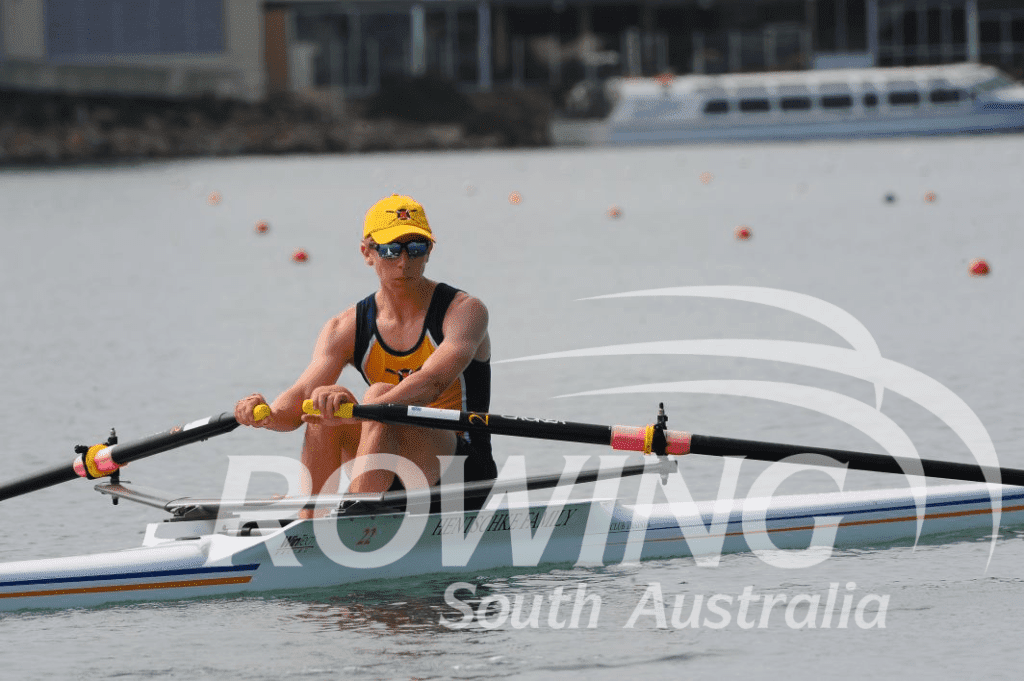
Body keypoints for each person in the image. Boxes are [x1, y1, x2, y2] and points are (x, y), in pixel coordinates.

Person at [234, 194, 497, 510]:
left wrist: (363, 408)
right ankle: (311, 518)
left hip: (462, 473)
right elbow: (296, 404)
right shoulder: (345, 327)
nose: (404, 262)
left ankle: (355, 514)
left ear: (429, 250)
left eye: (416, 248)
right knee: (321, 400)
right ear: (366, 252)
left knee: (378, 394)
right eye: (389, 250)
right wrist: (265, 413)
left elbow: (432, 383)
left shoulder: (464, 312)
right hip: (388, 464)